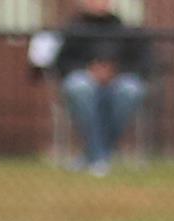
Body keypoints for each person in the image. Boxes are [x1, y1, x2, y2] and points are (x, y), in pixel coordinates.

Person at [47, 0, 151, 176]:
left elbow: (143, 63)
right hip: (85, 81)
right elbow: (61, 63)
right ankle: (100, 156)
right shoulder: (73, 29)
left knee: (131, 89)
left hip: (118, 82)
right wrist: (89, 71)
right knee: (79, 86)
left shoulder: (124, 30)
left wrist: (115, 71)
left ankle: (93, 154)